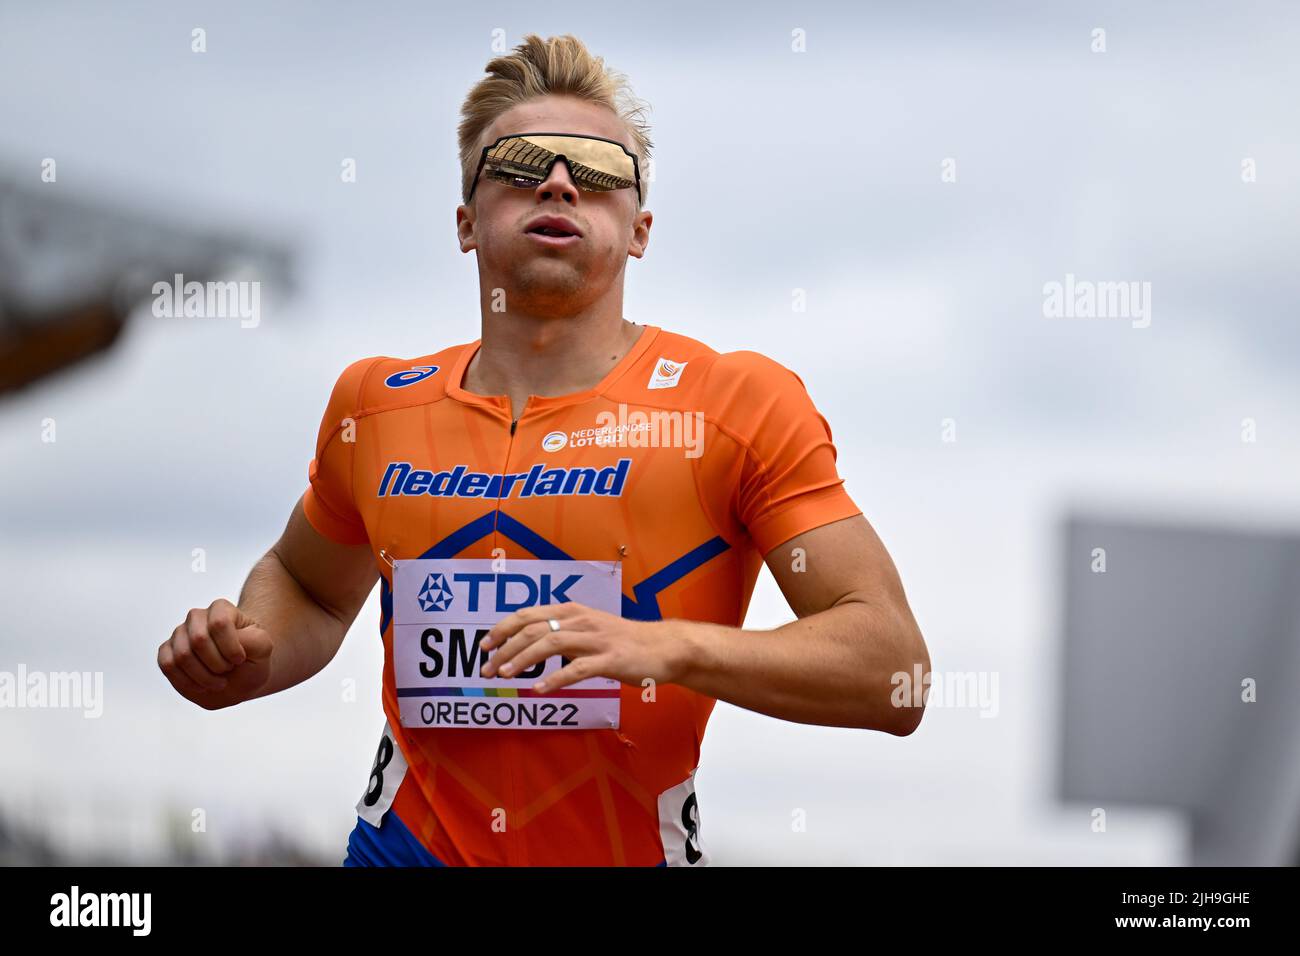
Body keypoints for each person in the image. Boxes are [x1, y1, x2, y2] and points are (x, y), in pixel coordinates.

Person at [157, 33, 930, 867]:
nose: (559, 182)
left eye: (597, 170)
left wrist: (668, 646)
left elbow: (895, 671)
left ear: (640, 229)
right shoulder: (375, 405)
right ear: (466, 223)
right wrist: (251, 653)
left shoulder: (735, 405)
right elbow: (309, 585)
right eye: (520, 164)